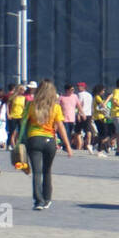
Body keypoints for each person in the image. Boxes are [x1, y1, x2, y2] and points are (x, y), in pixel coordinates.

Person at [22, 79, 73, 209]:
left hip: (34, 139)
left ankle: (38, 201)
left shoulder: (31, 105)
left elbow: (23, 124)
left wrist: (18, 140)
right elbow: (61, 127)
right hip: (50, 141)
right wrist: (67, 146)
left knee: (37, 172)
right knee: (47, 171)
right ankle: (47, 199)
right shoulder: (55, 107)